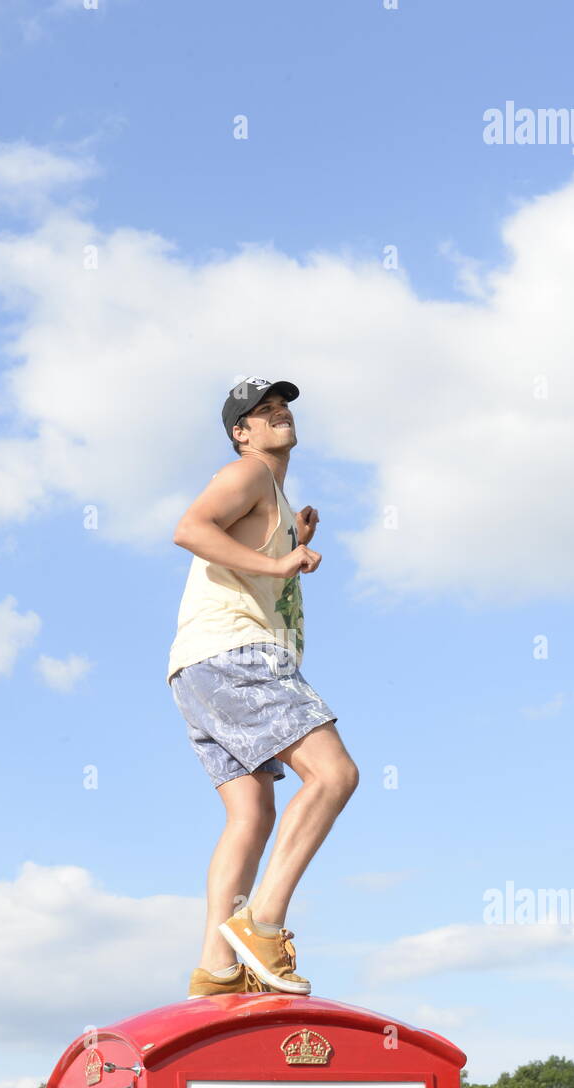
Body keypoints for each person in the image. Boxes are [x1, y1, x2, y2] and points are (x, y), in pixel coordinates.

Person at [167, 376, 359, 998]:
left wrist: (294, 541)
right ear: (240, 433)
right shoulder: (247, 473)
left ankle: (216, 967)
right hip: (235, 655)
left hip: (196, 670)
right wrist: (281, 560)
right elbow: (191, 528)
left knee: (250, 815)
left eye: (282, 406)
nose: (276, 414)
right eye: (260, 411)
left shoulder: (273, 498)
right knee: (333, 775)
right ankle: (263, 924)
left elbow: (241, 551)